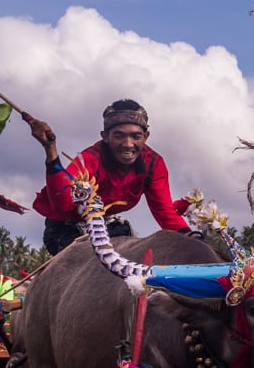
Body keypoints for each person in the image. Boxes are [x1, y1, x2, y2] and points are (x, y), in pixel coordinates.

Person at [27, 99, 191, 255]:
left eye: (136, 136)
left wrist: (190, 236)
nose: (128, 144)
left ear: (146, 136)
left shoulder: (154, 164)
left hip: (107, 227)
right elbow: (62, 204)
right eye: (119, 136)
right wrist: (50, 149)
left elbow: (164, 211)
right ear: (105, 136)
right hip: (66, 230)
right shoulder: (89, 160)